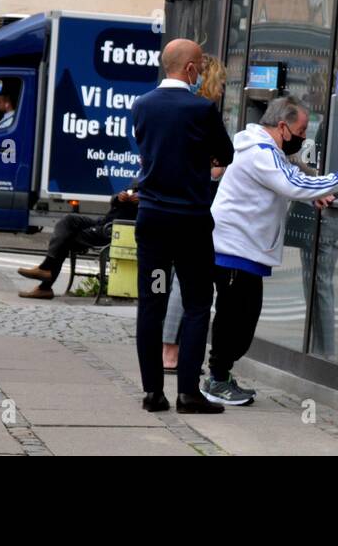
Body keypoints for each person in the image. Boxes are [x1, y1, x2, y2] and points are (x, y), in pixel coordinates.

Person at [199, 95, 338, 405]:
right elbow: (290, 184)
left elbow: (291, 176)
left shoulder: (266, 150)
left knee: (240, 316)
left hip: (242, 248)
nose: (303, 136)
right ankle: (217, 380)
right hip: (235, 249)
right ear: (283, 127)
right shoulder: (260, 153)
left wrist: (314, 194)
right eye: (301, 129)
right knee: (236, 318)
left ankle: (219, 376)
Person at [131, 39, 235, 414]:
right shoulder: (202, 109)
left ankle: (152, 393)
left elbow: (148, 149)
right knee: (195, 303)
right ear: (191, 70)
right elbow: (226, 154)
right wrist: (198, 157)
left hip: (154, 221)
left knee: (152, 303)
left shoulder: (141, 106)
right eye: (200, 69)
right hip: (190, 223)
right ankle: (189, 392)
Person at [161, 54, 229, 373]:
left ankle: (171, 350)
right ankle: (172, 352)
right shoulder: (201, 112)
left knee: (180, 280)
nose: (224, 88)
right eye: (222, 82)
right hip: (194, 207)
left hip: (172, 205)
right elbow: (216, 163)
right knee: (184, 283)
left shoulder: (175, 107)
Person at [17, 182, 138, 299]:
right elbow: (113, 200)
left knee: (66, 238)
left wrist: (142, 200)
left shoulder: (152, 181)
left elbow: (155, 206)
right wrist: (119, 197)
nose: (140, 160)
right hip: (104, 222)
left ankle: (45, 284)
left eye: (142, 159)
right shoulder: (141, 176)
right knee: (69, 219)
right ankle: (45, 273)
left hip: (114, 231)